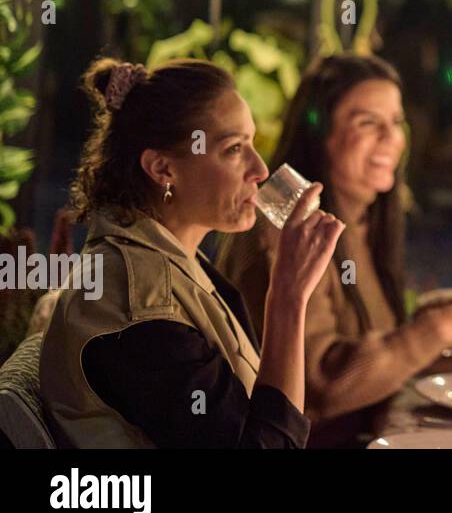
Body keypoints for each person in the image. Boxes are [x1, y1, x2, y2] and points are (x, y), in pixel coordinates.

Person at [216, 54, 452, 447]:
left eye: (396, 122)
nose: (391, 138)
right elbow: (321, 386)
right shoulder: (283, 224)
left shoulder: (364, 221)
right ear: (320, 131)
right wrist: (441, 326)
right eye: (368, 122)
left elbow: (382, 358)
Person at [40, 58, 343, 448]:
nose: (261, 169)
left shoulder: (170, 260)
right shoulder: (141, 311)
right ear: (163, 168)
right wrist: (288, 296)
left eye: (251, 143)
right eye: (234, 148)